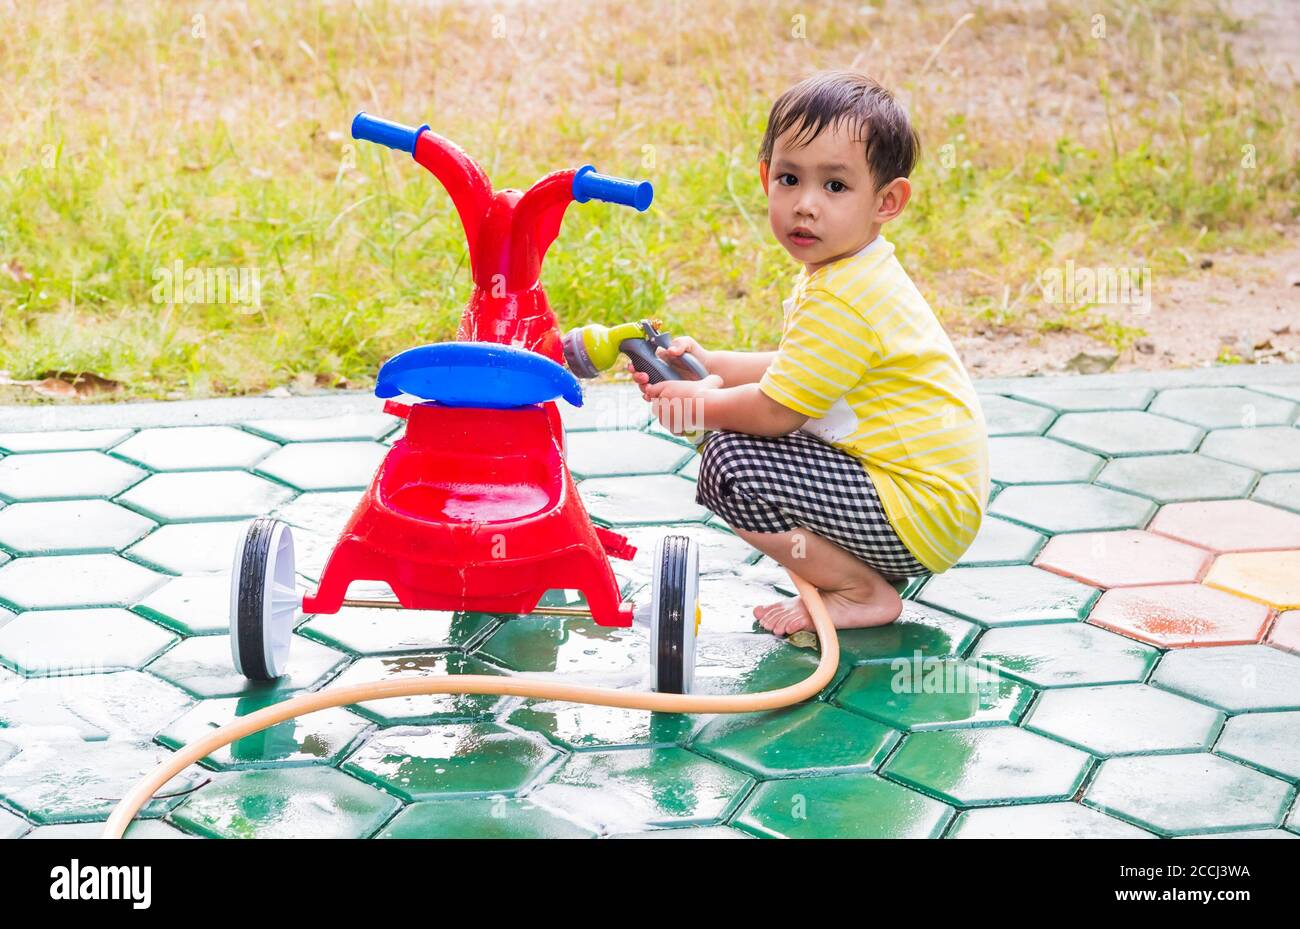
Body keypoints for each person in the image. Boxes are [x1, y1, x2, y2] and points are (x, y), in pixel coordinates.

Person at [630, 70, 990, 637]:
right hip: (922, 501)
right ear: (765, 176)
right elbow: (795, 370)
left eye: (836, 187)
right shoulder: (850, 273)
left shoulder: (846, 298)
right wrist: (712, 363)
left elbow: (777, 411)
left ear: (887, 201)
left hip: (917, 512)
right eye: (790, 178)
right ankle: (855, 566)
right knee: (735, 436)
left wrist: (700, 405)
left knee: (729, 460)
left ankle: (859, 590)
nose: (805, 205)